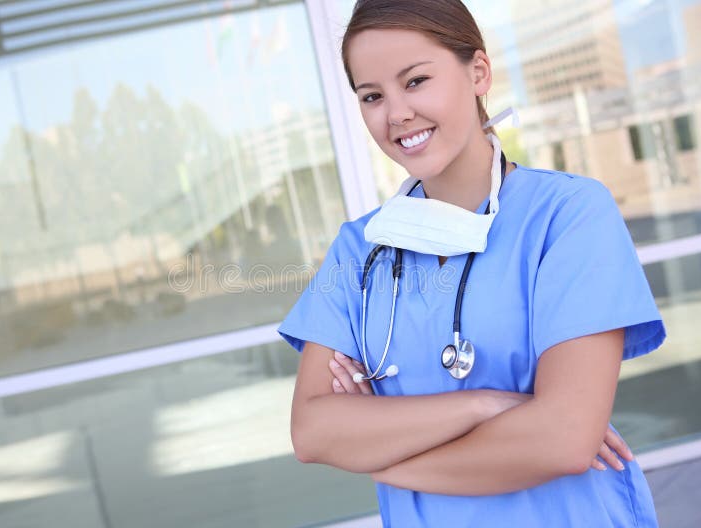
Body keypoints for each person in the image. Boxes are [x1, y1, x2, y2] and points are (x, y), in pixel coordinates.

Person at [277, 1, 666, 526]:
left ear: (478, 72)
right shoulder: (360, 248)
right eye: (372, 96)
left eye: (415, 81)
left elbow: (564, 440)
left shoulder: (566, 216)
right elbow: (313, 432)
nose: (395, 114)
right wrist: (483, 405)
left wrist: (382, 454)